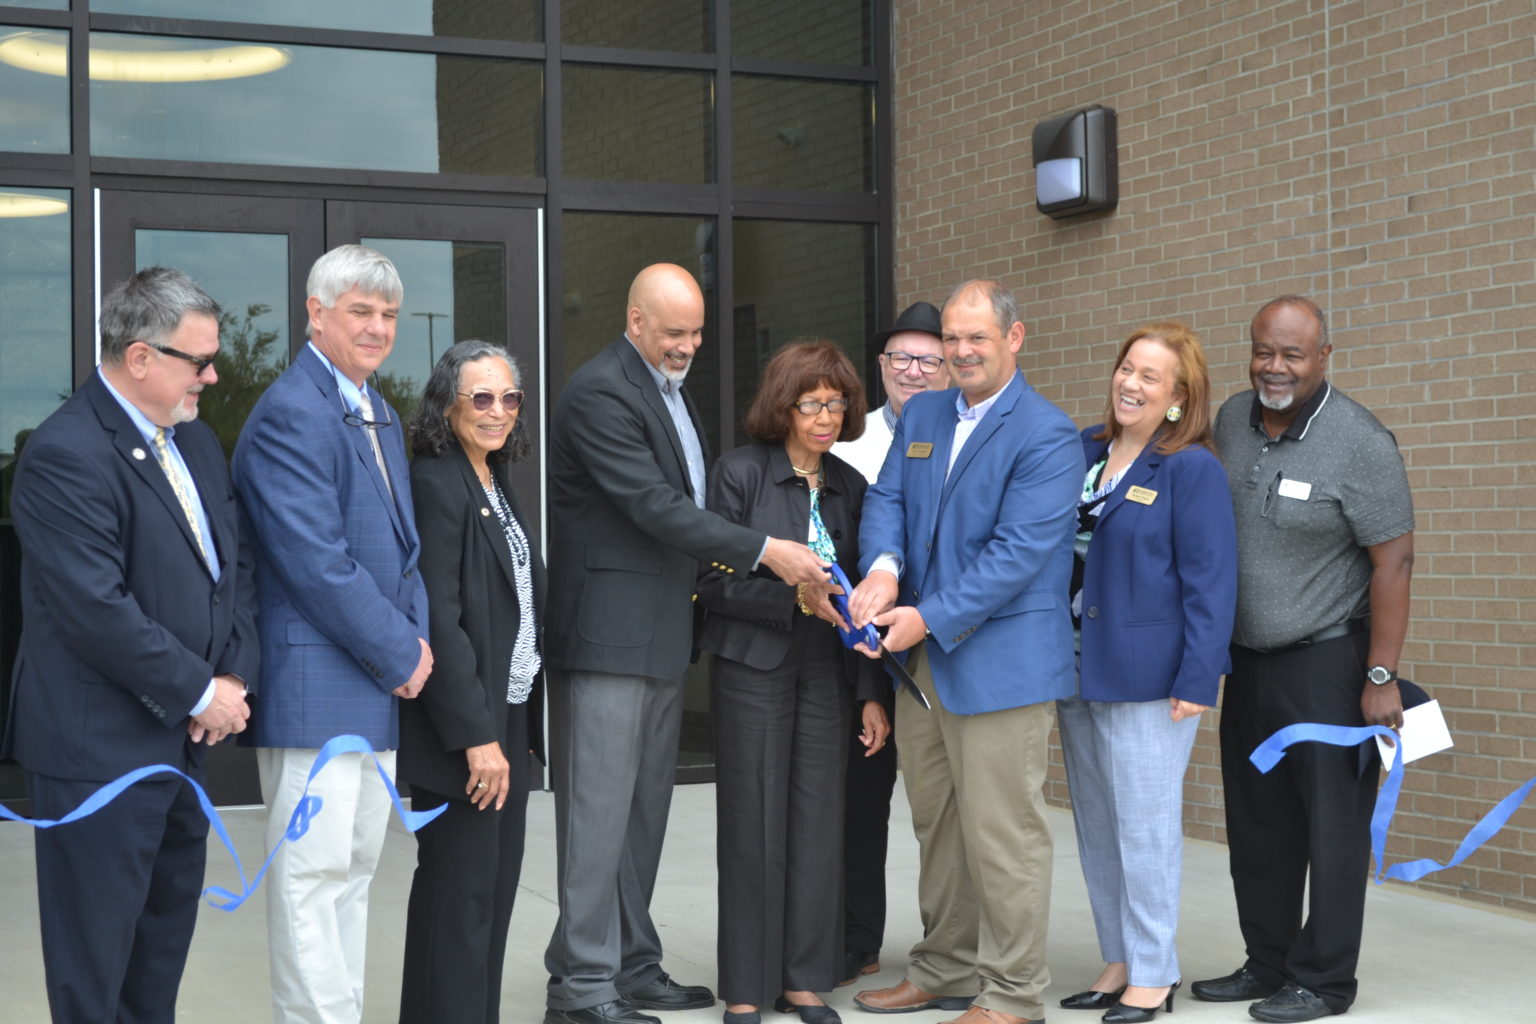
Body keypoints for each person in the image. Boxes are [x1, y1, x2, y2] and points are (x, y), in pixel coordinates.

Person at [542, 263, 831, 1024]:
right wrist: (765, 549)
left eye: (697, 332)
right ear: (634, 321)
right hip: (608, 640)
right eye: (674, 332)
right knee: (597, 820)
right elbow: (654, 505)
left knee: (641, 819)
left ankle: (634, 965)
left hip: (663, 637)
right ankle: (581, 986)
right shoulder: (602, 391)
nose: (689, 346)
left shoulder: (666, 391)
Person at [3, 266, 256, 1023]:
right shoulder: (65, 454)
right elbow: (94, 609)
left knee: (157, 960)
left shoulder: (198, 444)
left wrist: (232, 677)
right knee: (96, 968)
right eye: (199, 360)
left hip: (183, 746)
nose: (212, 376)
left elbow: (232, 569)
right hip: (98, 756)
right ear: (140, 356)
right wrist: (198, 690)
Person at [847, 279, 1083, 1024]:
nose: (961, 351)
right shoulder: (922, 412)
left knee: (1003, 834)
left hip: (1000, 666)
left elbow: (1018, 556)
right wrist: (883, 568)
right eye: (951, 338)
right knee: (938, 825)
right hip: (922, 668)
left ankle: (1013, 995)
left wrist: (925, 616)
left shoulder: (1046, 433)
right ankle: (946, 968)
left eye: (976, 338)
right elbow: (886, 497)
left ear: (1014, 339)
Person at [1192, 296, 1414, 1023]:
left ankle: (1323, 982)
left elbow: (1395, 563)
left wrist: (1380, 674)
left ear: (1323, 356)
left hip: (1329, 668)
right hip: (1247, 666)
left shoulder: (1360, 442)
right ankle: (1268, 962)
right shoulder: (1230, 420)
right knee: (1257, 822)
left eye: (1291, 354)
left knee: (1331, 830)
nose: (1274, 367)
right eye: (1263, 350)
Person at [233, 244, 432, 1024]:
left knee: (352, 875)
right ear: (316, 315)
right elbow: (316, 563)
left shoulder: (375, 407)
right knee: (310, 883)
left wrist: (412, 647)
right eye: (360, 311)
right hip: (319, 686)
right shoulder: (292, 411)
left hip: (376, 681)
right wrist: (402, 652)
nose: (378, 328)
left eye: (388, 314)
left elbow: (402, 550)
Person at [698, 339, 892, 1024]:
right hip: (752, 665)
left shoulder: (849, 485)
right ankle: (748, 986)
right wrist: (790, 599)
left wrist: (871, 692)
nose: (826, 417)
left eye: (837, 404)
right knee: (752, 823)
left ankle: (805, 978)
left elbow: (868, 593)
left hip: (828, 673)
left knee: (819, 824)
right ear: (783, 406)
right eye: (812, 403)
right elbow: (711, 583)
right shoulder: (740, 474)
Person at [1054, 323, 1237, 1022]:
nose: (1130, 383)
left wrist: (1199, 679)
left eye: (1149, 377)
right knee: (1099, 825)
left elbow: (1212, 583)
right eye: (1126, 368)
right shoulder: (1085, 450)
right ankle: (1119, 957)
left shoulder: (1189, 468)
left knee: (1147, 826)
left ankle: (1155, 973)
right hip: (1076, 670)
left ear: (1177, 398)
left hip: (1152, 679)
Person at [398, 340, 545, 1023]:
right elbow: (439, 618)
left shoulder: (490, 476)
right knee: (458, 909)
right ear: (447, 404)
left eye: (509, 397)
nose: (497, 411)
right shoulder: (437, 479)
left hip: (504, 719)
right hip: (466, 734)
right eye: (480, 397)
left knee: (490, 899)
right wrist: (476, 736)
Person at [829, 301, 949, 986]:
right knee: (861, 807)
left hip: (944, 647)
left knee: (946, 814)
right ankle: (857, 940)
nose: (914, 370)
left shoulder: (964, 435)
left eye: (928, 359)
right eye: (900, 358)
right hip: (864, 658)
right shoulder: (847, 445)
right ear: (881, 368)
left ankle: (952, 946)